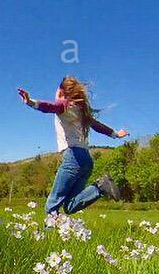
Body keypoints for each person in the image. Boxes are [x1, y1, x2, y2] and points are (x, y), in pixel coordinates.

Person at [17, 76, 129, 214]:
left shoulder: (64, 105)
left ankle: (48, 234)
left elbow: (50, 107)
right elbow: (98, 126)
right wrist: (116, 134)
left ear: (60, 92)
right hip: (86, 161)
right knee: (70, 206)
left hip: (73, 158)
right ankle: (99, 187)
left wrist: (30, 102)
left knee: (52, 205)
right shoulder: (81, 112)